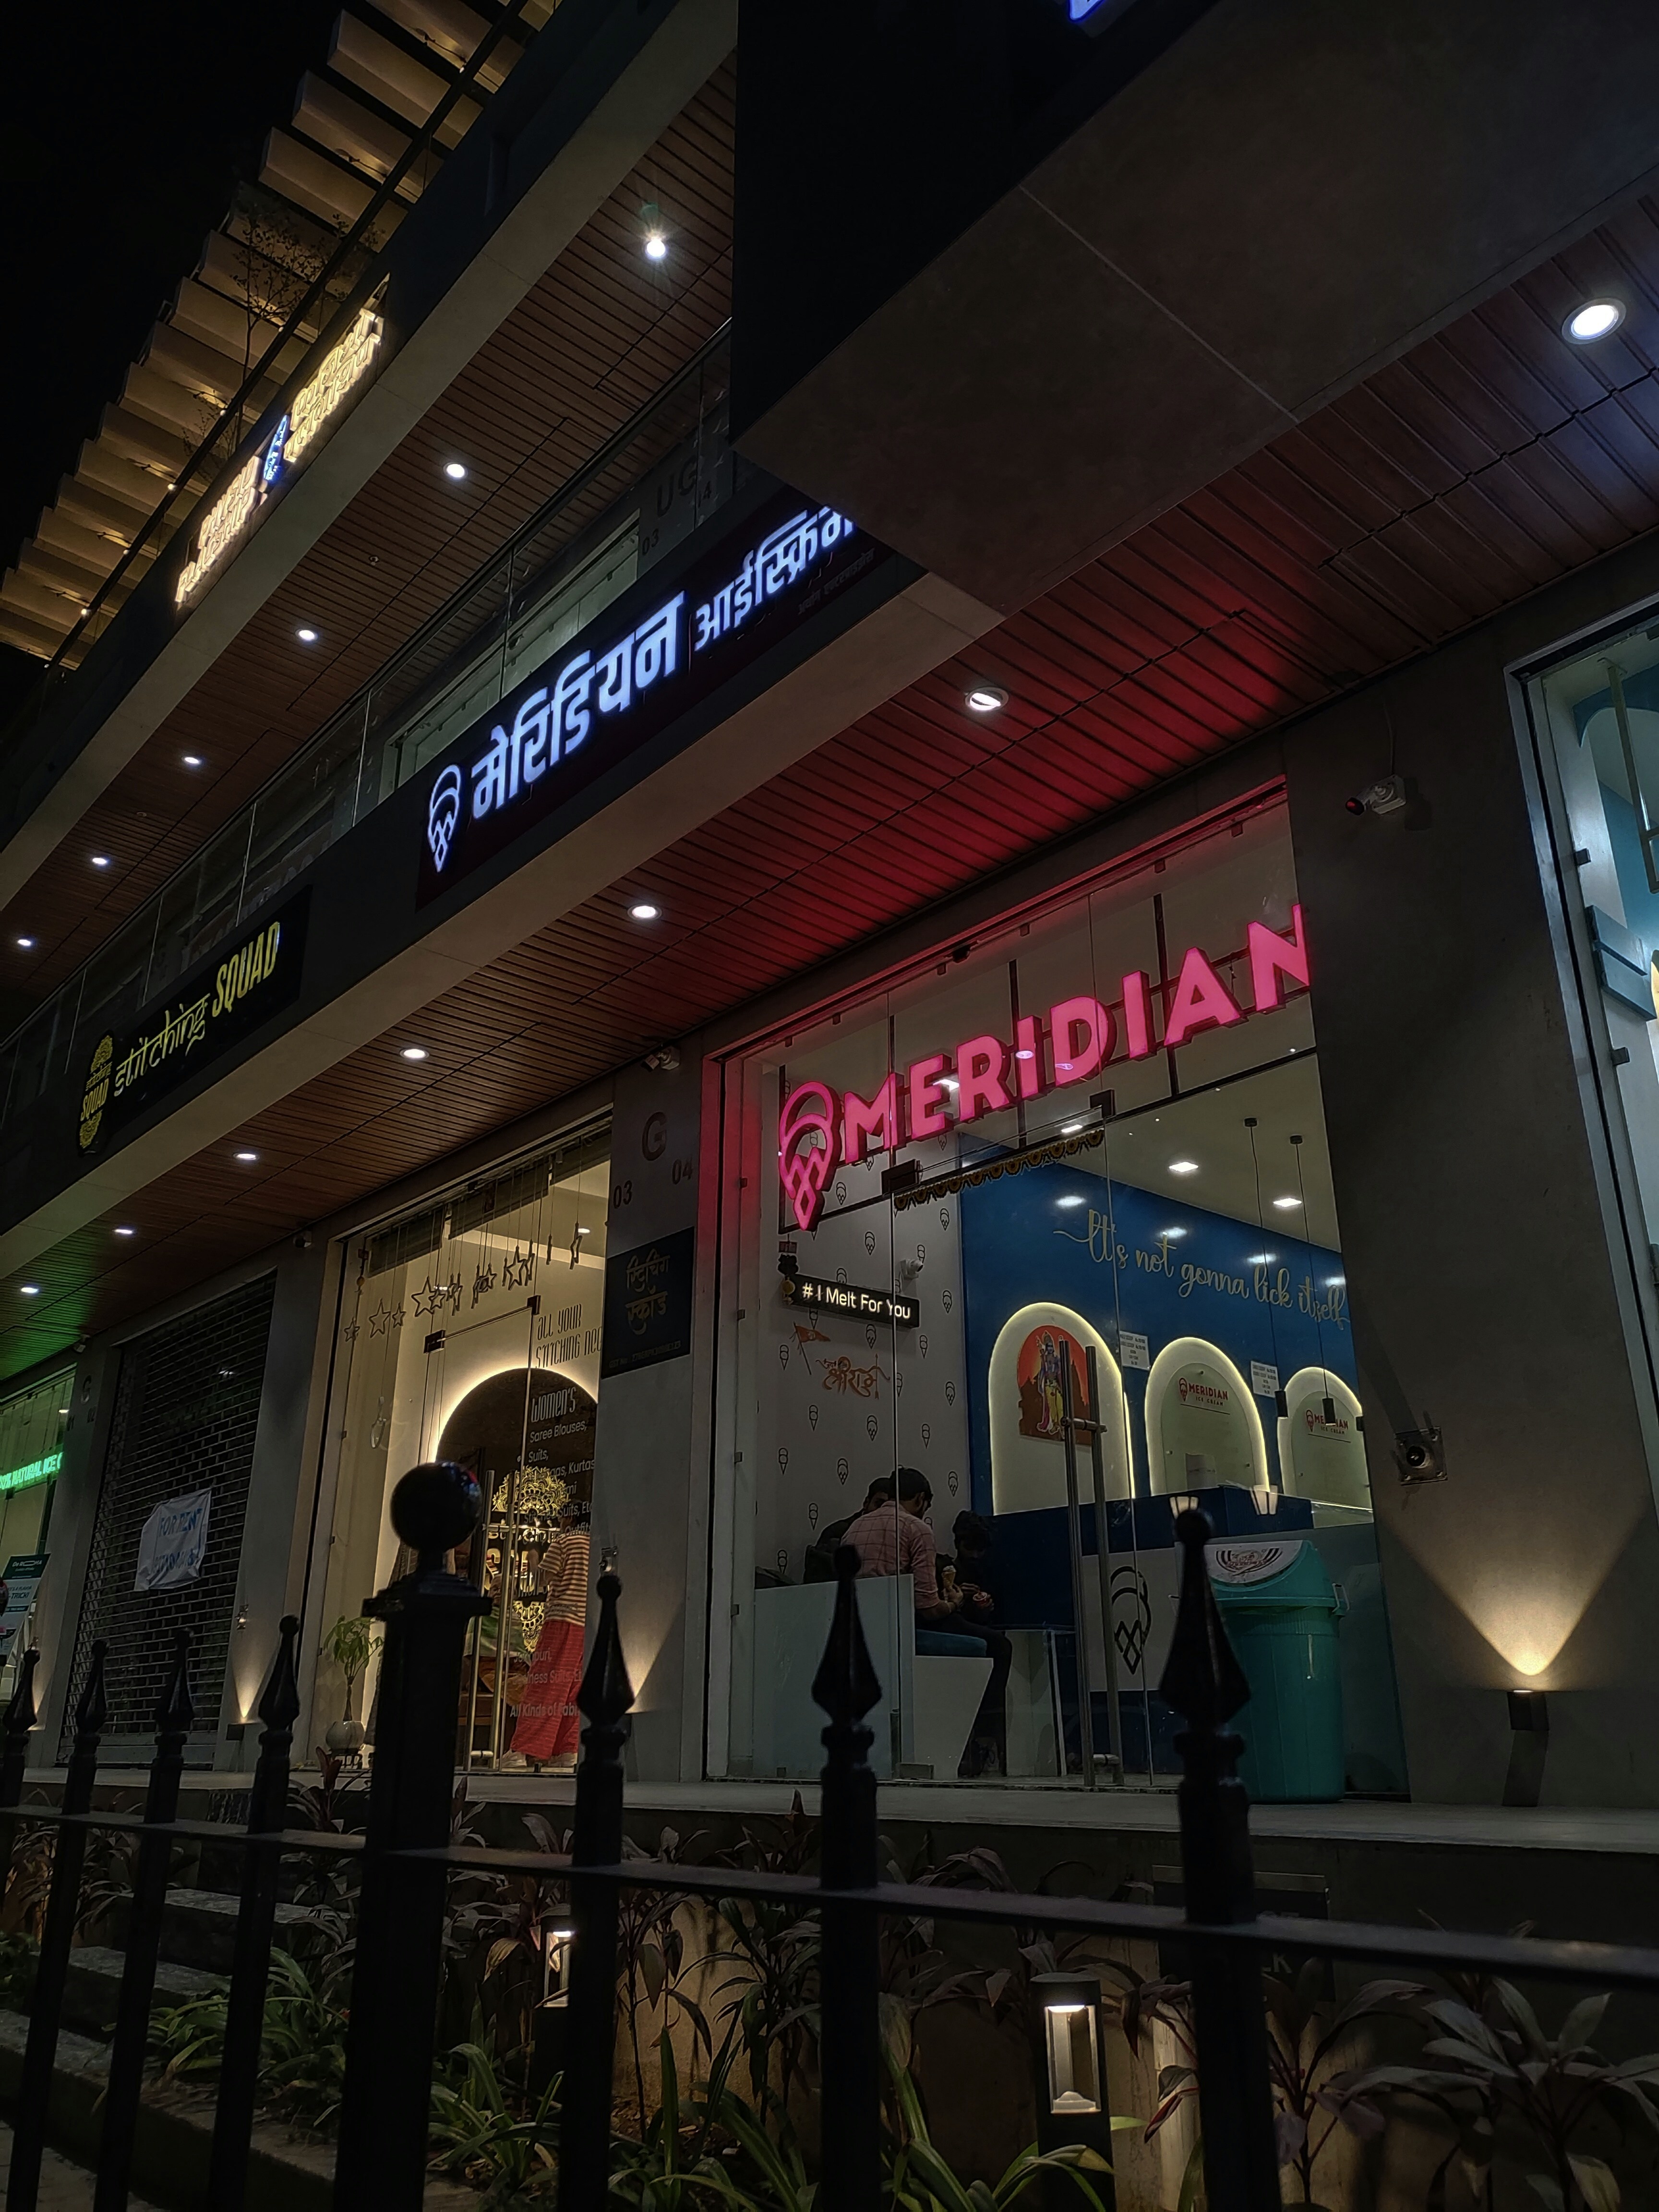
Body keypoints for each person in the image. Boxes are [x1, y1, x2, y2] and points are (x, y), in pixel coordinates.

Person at [842, 1471, 1010, 1776]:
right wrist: (956, 1601)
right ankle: (983, 1744)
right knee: (994, 1646)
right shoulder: (916, 1528)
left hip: (862, 1634)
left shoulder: (855, 1526)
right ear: (921, 1500)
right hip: (900, 1632)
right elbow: (929, 1608)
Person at [804, 1476, 894, 1581]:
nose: (882, 1512)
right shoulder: (837, 1533)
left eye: (889, 1508)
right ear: (866, 1503)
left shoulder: (897, 1534)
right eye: (879, 1505)